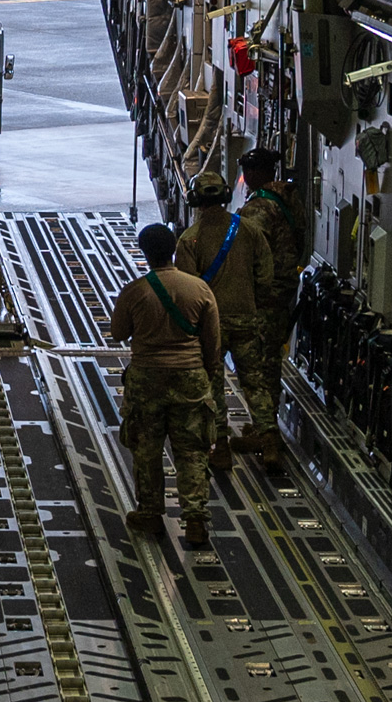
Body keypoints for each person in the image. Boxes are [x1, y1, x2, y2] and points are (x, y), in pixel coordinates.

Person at [110, 223, 223, 547]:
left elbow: (118, 333)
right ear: (174, 248)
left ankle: (150, 512)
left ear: (144, 252)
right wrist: (205, 374)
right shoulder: (199, 289)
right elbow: (213, 342)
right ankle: (195, 519)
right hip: (190, 376)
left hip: (147, 378)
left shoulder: (135, 291)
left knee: (146, 448)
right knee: (192, 450)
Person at [176, 171, 274, 471]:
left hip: (211, 327)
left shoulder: (189, 239)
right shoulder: (250, 230)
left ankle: (220, 448)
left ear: (195, 199)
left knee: (213, 387)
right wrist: (252, 302)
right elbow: (266, 276)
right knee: (255, 382)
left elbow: (187, 291)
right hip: (246, 319)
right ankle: (271, 443)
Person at [234, 147, 307, 464]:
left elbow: (245, 251)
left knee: (255, 365)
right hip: (284, 289)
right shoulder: (289, 199)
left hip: (263, 294)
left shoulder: (258, 208)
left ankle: (268, 437)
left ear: (253, 173)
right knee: (270, 359)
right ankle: (264, 425)